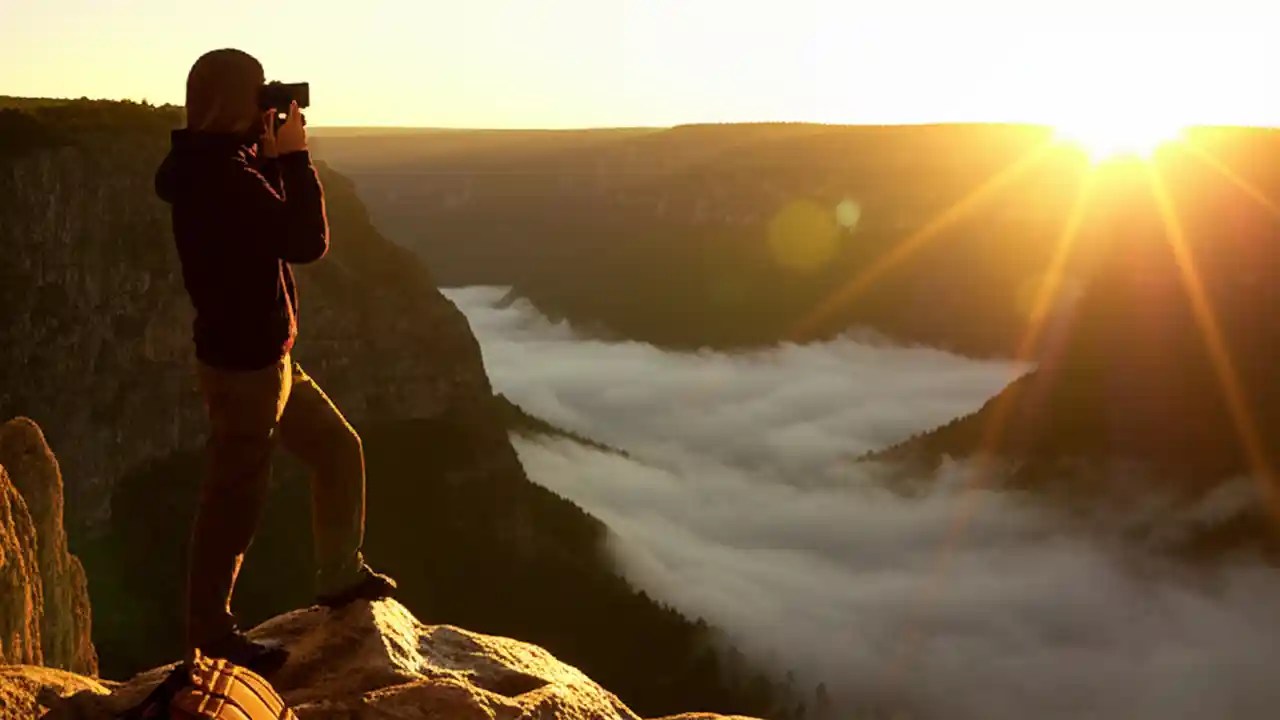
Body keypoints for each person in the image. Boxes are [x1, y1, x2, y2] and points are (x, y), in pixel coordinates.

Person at [154, 48, 395, 673]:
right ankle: (211, 635)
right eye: (259, 95)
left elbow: (270, 227)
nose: (270, 105)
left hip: (270, 360)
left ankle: (339, 575)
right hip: (246, 372)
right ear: (238, 104)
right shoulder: (219, 178)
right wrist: (294, 156)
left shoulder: (217, 164)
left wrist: (265, 155)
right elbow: (305, 241)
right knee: (233, 505)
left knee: (340, 450)